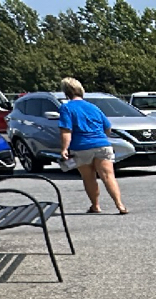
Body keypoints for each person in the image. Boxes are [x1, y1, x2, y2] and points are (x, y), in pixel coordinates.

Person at [56, 77, 127, 214]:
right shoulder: (93, 107)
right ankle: (120, 205)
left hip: (81, 147)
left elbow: (66, 130)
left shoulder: (66, 107)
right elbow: (107, 127)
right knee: (108, 176)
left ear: (66, 92)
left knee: (89, 177)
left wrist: (64, 148)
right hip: (102, 144)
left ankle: (96, 206)